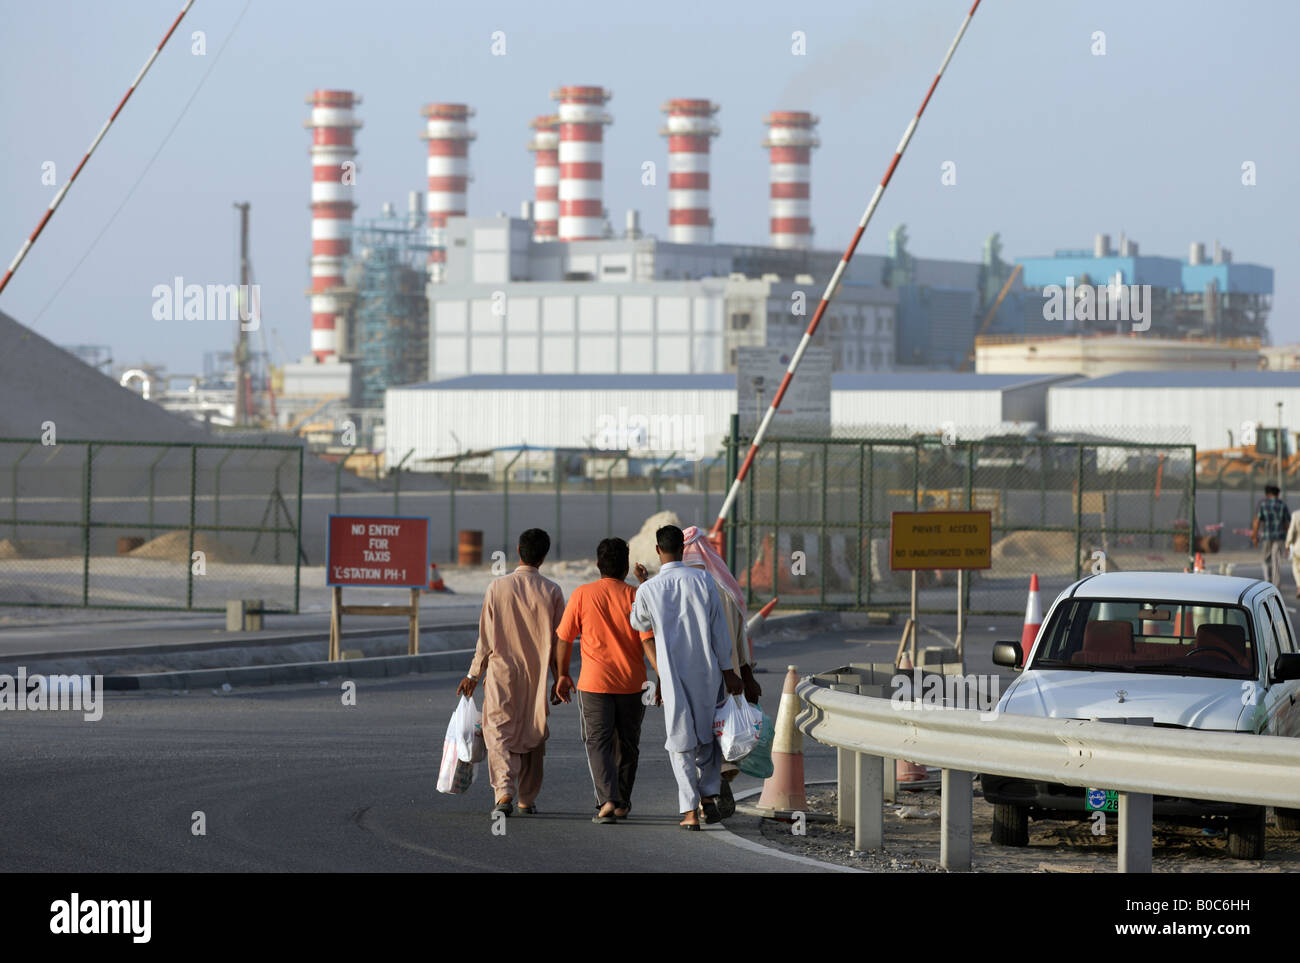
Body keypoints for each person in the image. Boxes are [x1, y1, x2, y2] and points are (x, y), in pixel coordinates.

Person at [629, 524, 743, 830]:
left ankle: (690, 811)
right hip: (707, 674)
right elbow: (720, 632)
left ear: (657, 551)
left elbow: (638, 621)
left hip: (673, 676)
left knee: (680, 741)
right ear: (683, 547)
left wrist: (642, 587)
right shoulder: (704, 579)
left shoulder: (649, 589)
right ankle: (707, 796)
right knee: (708, 739)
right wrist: (729, 670)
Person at [457, 528, 565, 817]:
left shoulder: (497, 587)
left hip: (502, 675)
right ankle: (526, 799)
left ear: (518, 551)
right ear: (543, 557)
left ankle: (503, 790)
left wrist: (473, 675)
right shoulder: (552, 591)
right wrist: (560, 678)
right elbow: (558, 643)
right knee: (533, 732)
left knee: (499, 732)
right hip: (536, 676)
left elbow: (486, 639)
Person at [554, 537, 647, 824]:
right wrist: (645, 585)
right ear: (626, 566)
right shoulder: (636, 595)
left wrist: (562, 674)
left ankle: (607, 800)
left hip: (594, 683)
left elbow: (564, 638)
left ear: (597, 565)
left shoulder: (582, 594)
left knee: (598, 741)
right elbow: (652, 634)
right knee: (628, 743)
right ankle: (621, 802)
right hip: (633, 683)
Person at [1251, 484, 1292, 588]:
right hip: (1280, 537)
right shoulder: (1282, 505)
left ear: (1268, 494)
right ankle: (1276, 585)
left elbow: (1257, 521)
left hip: (1267, 536)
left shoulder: (1263, 504)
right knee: (1276, 560)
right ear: (1277, 494)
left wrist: (1255, 536)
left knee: (1265, 559)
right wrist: (1289, 539)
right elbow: (1287, 523)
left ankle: (1268, 581)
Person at [1285, 505, 1300, 599]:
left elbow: (1291, 531)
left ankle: (1299, 587)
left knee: (1296, 568)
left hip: (1298, 547)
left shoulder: (1296, 514)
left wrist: (1287, 544)